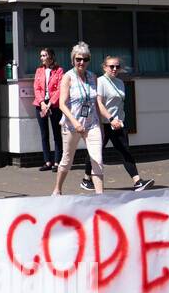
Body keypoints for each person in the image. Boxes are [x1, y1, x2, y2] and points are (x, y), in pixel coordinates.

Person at [81, 55, 155, 192]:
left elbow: (119, 104)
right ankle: (86, 178)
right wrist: (110, 119)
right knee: (96, 152)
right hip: (103, 124)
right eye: (111, 66)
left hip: (118, 124)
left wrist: (119, 120)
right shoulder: (101, 82)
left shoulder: (120, 83)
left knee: (125, 151)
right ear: (104, 67)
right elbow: (99, 104)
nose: (114, 69)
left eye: (117, 66)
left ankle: (137, 181)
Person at [52, 42, 108, 196]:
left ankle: (100, 196)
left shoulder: (92, 77)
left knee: (97, 159)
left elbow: (96, 103)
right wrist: (75, 122)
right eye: (78, 59)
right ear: (73, 60)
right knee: (67, 160)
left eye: (85, 59)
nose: (81, 62)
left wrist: (102, 125)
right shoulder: (68, 77)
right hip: (72, 125)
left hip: (92, 124)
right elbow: (62, 104)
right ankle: (57, 189)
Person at [32, 48, 63, 171]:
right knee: (44, 134)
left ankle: (57, 162)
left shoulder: (59, 70)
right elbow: (37, 88)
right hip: (40, 104)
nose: (42, 58)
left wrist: (50, 103)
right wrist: (42, 103)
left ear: (51, 56)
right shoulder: (39, 70)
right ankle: (47, 161)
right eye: (41, 55)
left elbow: (59, 89)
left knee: (56, 133)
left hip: (54, 105)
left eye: (44, 55)